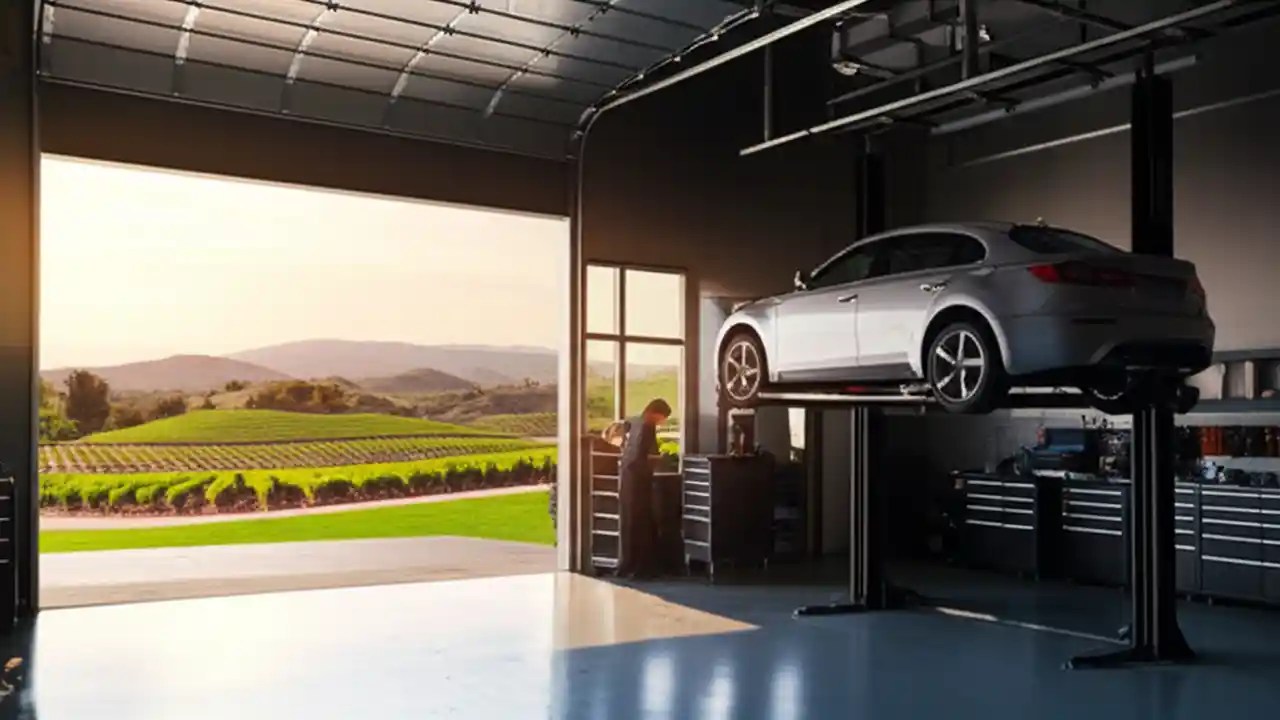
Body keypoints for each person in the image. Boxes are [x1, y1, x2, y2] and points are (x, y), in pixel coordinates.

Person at [618, 398, 672, 578]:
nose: (661, 422)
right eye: (661, 418)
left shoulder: (633, 422)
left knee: (628, 522)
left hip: (626, 478)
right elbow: (647, 455)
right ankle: (642, 567)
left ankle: (627, 564)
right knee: (642, 523)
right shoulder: (647, 428)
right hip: (640, 482)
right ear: (655, 413)